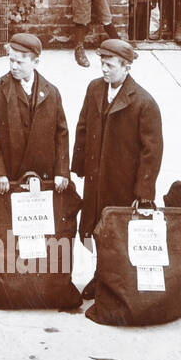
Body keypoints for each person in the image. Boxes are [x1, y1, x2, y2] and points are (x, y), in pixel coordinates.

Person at [71, 39, 163, 293]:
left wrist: (144, 193)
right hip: (95, 176)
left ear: (127, 68)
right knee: (94, 227)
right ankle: (99, 275)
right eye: (102, 63)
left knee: (117, 231)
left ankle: (115, 282)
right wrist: (79, 165)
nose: (104, 69)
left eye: (110, 65)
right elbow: (83, 126)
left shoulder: (144, 102)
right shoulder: (94, 89)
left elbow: (152, 152)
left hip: (121, 181)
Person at [0, 33, 69, 194]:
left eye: (20, 62)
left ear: (35, 62)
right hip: (10, 175)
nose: (13, 66)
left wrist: (61, 172)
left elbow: (61, 134)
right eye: (11, 61)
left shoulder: (52, 93)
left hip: (44, 175)